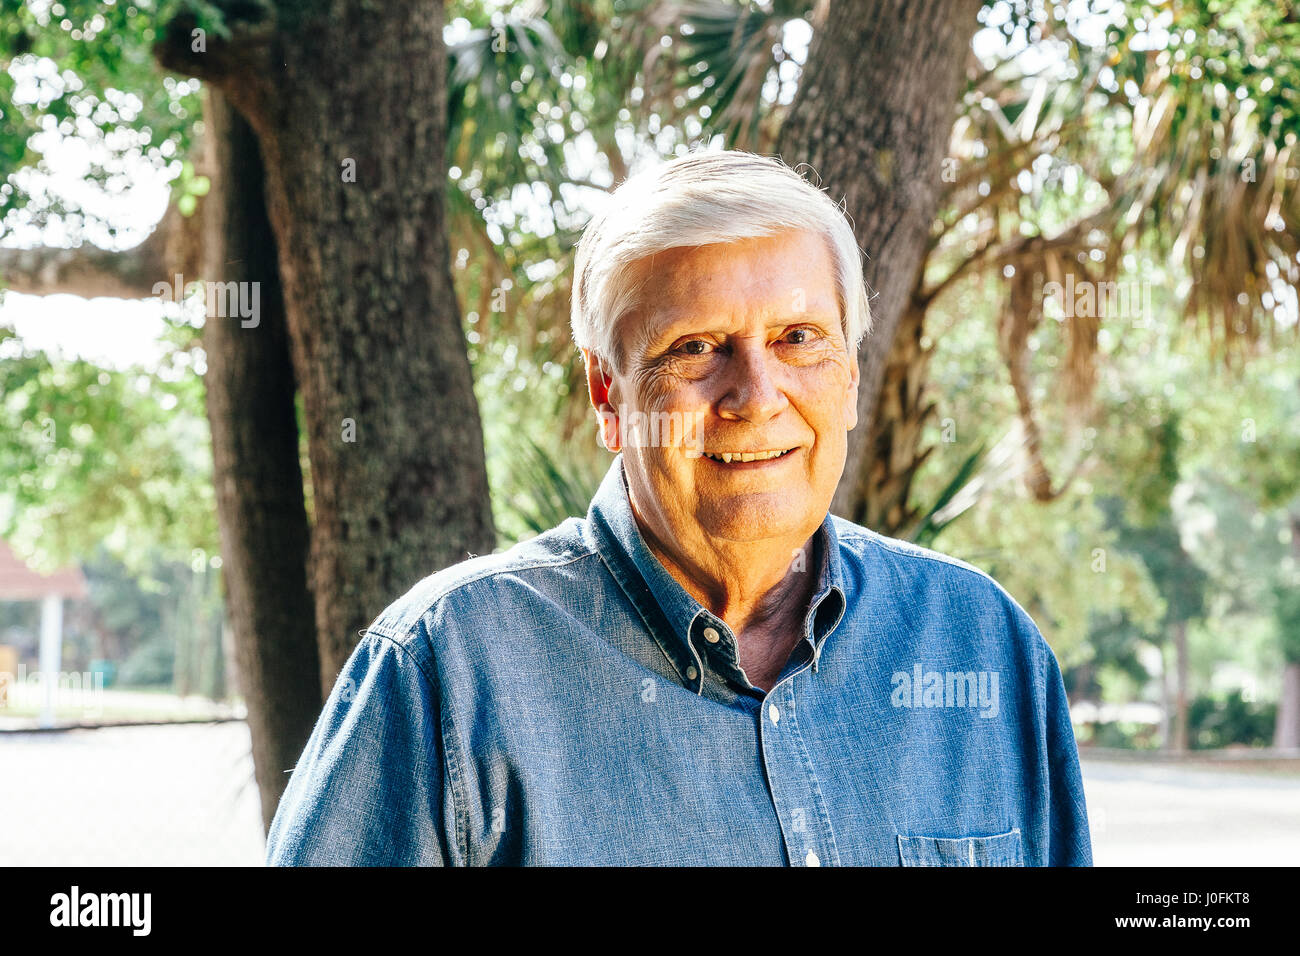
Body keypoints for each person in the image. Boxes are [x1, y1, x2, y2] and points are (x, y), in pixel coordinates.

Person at [265, 150, 1092, 866]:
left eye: (799, 338)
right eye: (696, 348)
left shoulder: (985, 645)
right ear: (606, 391)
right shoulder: (447, 670)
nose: (756, 396)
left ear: (849, 376)